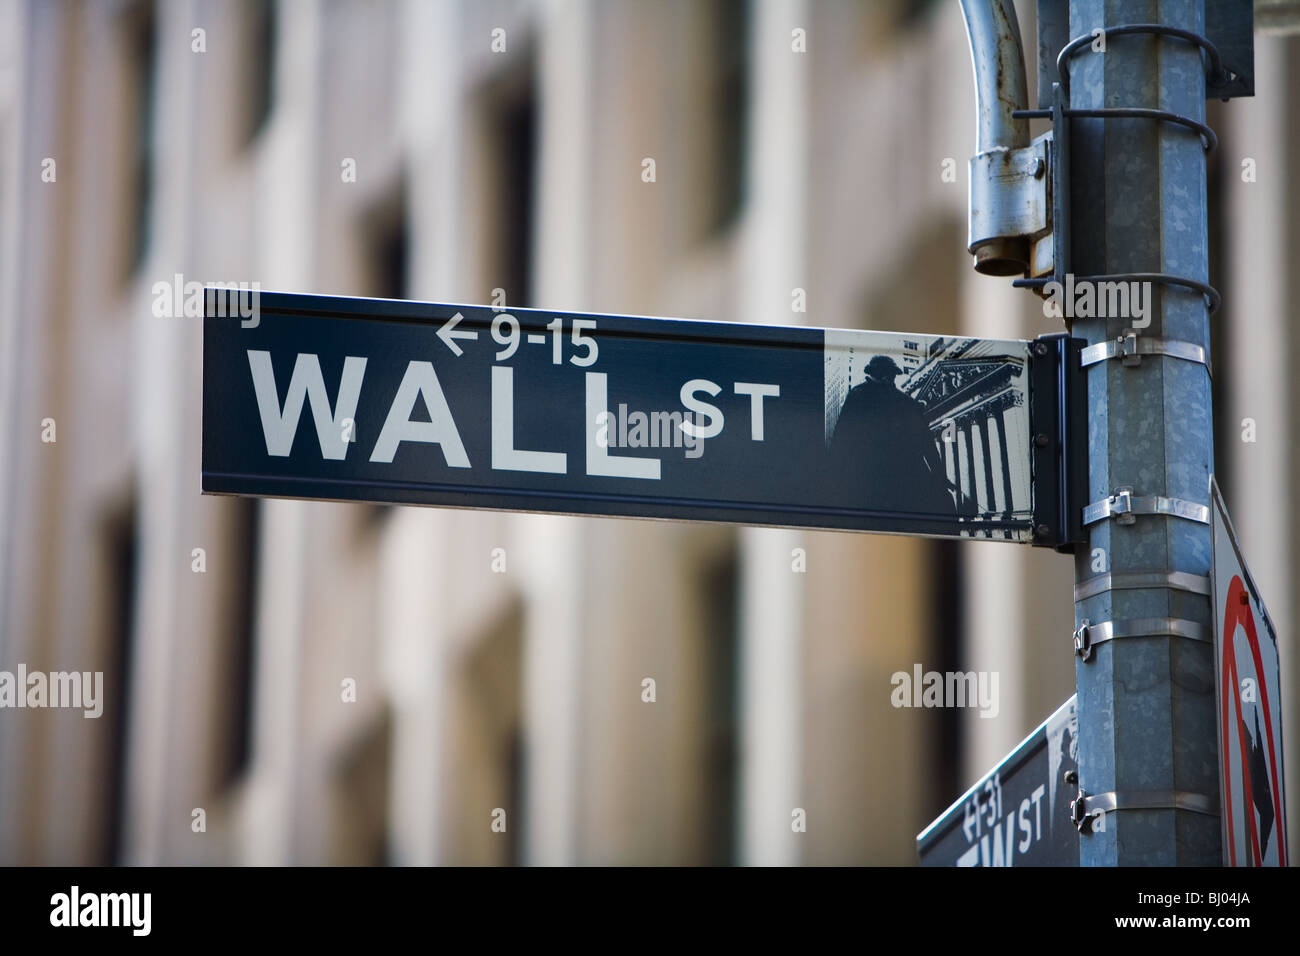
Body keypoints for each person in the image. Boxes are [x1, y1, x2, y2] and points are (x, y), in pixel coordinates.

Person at [827, 355, 955, 515]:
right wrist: (940, 476)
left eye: (890, 374)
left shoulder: (858, 395)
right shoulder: (905, 401)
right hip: (903, 481)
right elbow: (927, 444)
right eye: (887, 373)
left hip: (869, 481)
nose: (889, 377)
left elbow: (840, 439)